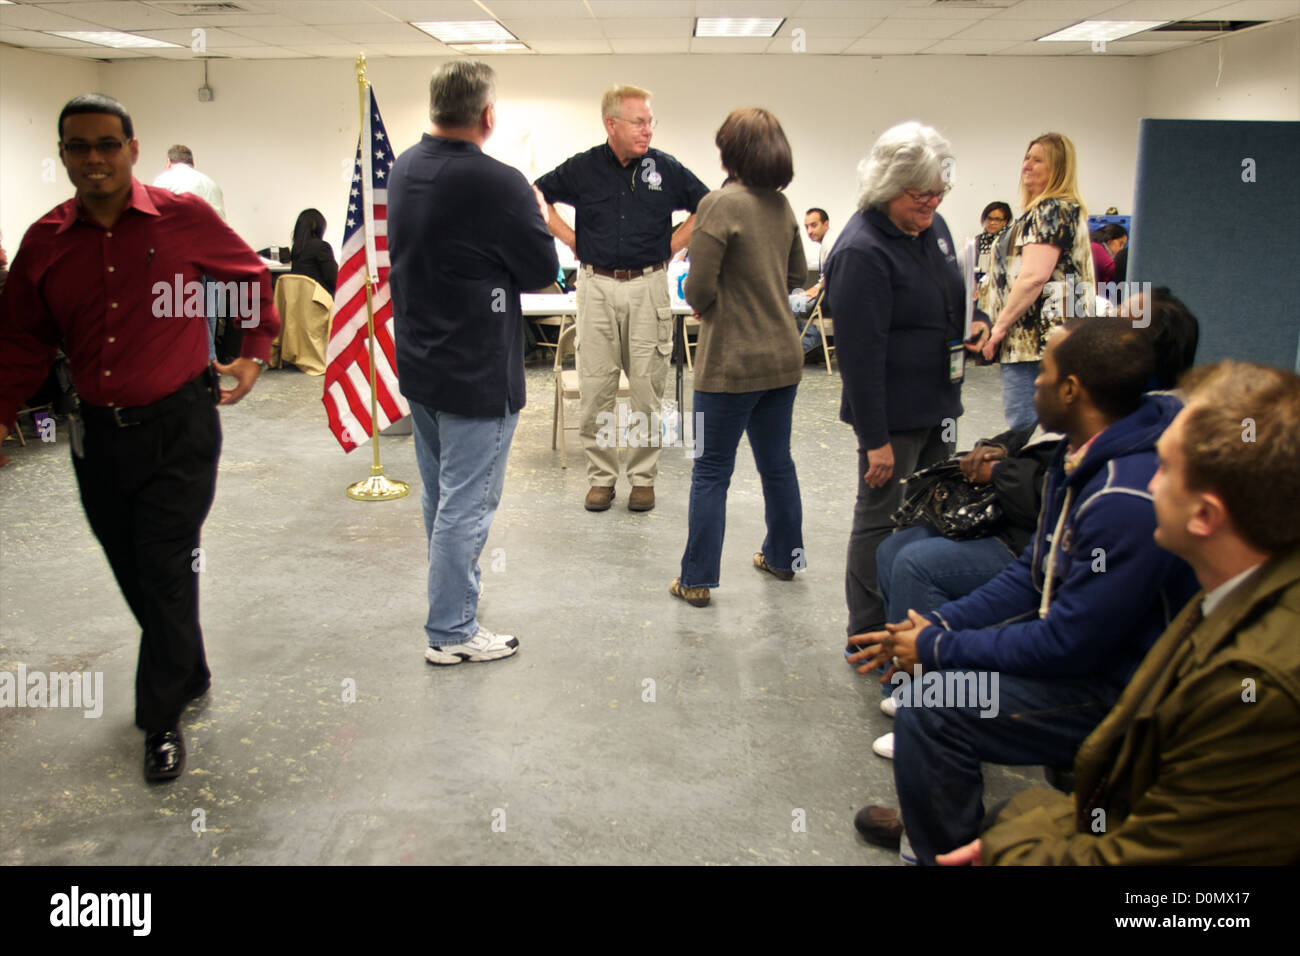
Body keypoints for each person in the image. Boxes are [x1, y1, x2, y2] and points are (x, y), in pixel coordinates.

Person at [0, 94, 279, 781]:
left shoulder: (181, 218)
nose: (93, 158)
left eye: (106, 144)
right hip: (96, 435)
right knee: (134, 567)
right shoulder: (45, 242)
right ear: (63, 154)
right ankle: (189, 664)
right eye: (77, 146)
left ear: (131, 148)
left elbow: (247, 277)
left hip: (179, 426)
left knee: (162, 560)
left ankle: (159, 720)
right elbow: (20, 342)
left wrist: (253, 350)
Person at [849, 318, 1199, 865]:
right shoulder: (1083, 454)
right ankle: (937, 830)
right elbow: (1034, 574)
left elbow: (1069, 644)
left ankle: (939, 850)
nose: (1033, 379)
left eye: (1045, 371)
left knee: (935, 705)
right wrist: (940, 628)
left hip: (1125, 692)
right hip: (1092, 658)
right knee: (931, 688)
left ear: (1071, 390)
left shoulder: (1123, 498)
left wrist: (938, 649)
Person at [942, 360, 1300, 865]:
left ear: (1205, 516)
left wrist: (1011, 842)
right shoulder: (1238, 587)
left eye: (1165, 469)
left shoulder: (1255, 684)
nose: (1150, 485)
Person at [388, 60, 558, 666]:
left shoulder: (404, 166)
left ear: (435, 106)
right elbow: (542, 272)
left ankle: (455, 602)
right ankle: (453, 631)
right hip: (477, 372)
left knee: (442, 497)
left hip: (424, 367)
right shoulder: (501, 183)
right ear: (488, 115)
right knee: (468, 502)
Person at [824, 121, 984, 648]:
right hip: (892, 417)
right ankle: (867, 631)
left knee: (929, 517)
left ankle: (910, 624)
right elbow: (859, 357)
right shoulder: (861, 251)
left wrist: (972, 326)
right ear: (889, 186)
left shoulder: (930, 227)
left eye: (939, 192)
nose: (932, 203)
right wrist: (876, 440)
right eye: (921, 194)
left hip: (939, 404)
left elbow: (948, 294)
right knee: (880, 520)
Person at [534, 84, 710, 513]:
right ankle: (601, 478)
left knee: (648, 389)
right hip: (595, 286)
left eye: (650, 121)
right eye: (639, 121)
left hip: (648, 285)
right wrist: (570, 237)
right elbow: (535, 195)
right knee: (597, 388)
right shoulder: (583, 168)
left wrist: (672, 245)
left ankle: (643, 478)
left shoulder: (664, 168)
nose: (647, 130)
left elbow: (708, 204)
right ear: (611, 124)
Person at [669, 108, 806, 608]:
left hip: (730, 364)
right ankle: (786, 558)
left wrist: (709, 303)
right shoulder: (784, 206)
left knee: (710, 473)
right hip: (782, 359)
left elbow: (699, 287)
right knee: (777, 465)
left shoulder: (717, 205)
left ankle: (697, 579)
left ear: (729, 151)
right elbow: (797, 276)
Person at [976, 133, 1095, 431]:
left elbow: (1034, 277)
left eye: (1037, 159)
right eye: (1026, 157)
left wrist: (999, 328)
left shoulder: (1051, 210)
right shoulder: (1047, 210)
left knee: (1027, 431)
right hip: (1043, 341)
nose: (1027, 165)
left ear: (1058, 168)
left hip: (1037, 342)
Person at [793, 207, 834, 356]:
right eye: (807, 227)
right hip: (826, 296)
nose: (809, 231)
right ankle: (813, 339)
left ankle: (809, 342)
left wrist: (812, 291)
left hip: (827, 300)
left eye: (814, 225)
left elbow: (827, 280)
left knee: (783, 305)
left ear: (826, 224)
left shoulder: (830, 244)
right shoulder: (829, 241)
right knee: (794, 295)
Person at [152, 144, 226, 221]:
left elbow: (156, 214)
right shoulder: (212, 184)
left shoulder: (164, 180)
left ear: (168, 162)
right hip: (214, 231)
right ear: (192, 163)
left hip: (182, 231)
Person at [288, 208, 338, 296]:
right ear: (318, 227)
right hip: (319, 303)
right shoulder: (322, 247)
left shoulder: (295, 249)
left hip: (300, 302)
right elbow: (335, 279)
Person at [974, 201, 1011, 283]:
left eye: (997, 219)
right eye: (989, 218)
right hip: (980, 287)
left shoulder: (1009, 240)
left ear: (1005, 221)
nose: (992, 222)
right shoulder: (978, 241)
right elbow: (973, 267)